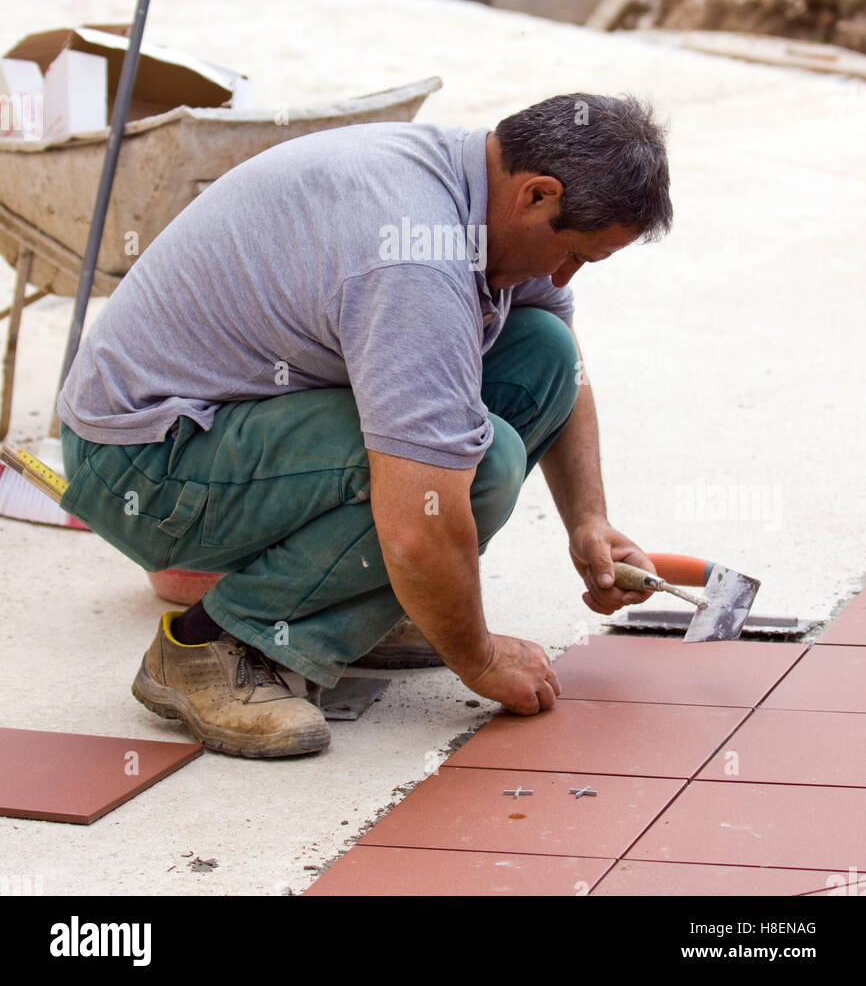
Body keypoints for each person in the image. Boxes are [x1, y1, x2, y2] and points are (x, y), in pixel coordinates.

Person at [57, 91, 672, 758]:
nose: (564, 273)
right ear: (538, 195)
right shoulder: (413, 252)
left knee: (543, 351)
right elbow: (420, 519)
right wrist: (481, 659)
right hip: (147, 462)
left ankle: (356, 604)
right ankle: (213, 646)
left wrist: (590, 519)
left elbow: (566, 365)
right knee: (476, 468)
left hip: (234, 419)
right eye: (576, 254)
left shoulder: (478, 186)